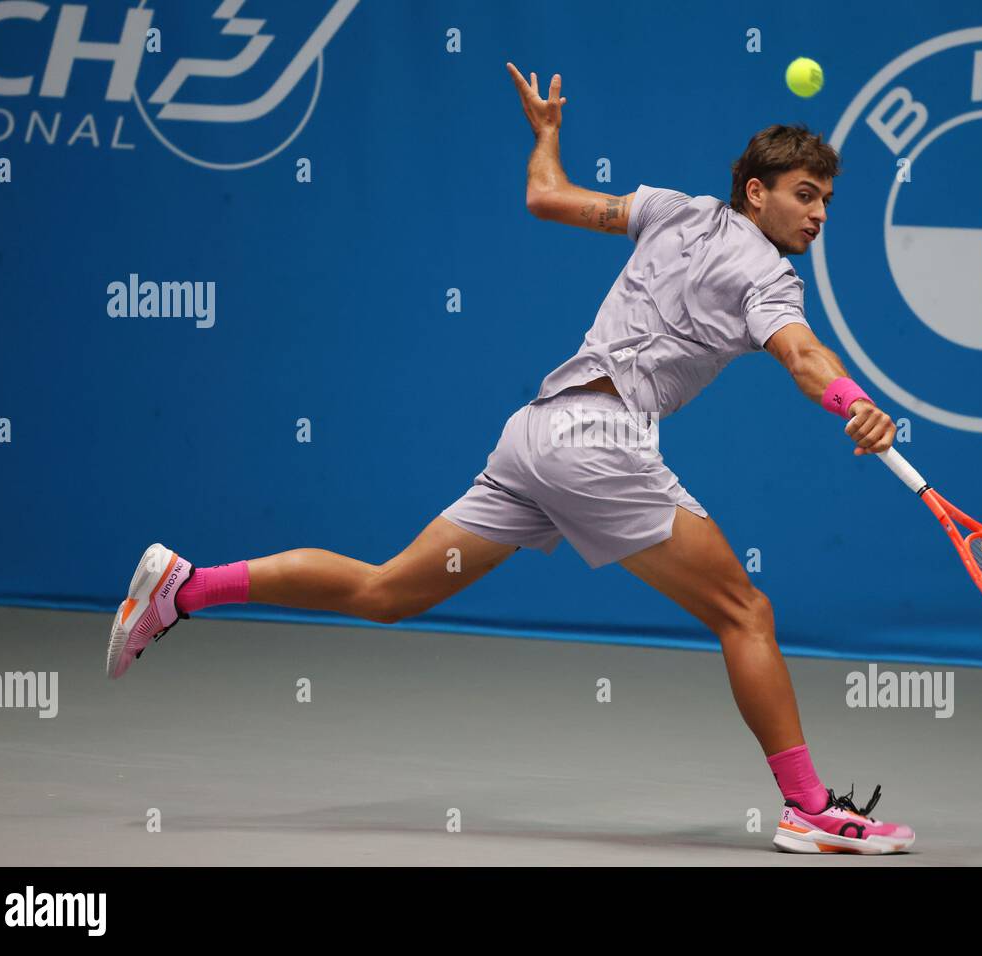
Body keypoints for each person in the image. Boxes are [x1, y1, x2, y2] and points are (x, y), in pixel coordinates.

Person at [105, 63, 913, 855]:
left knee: (389, 591)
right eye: (805, 196)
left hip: (535, 434)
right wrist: (857, 404)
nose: (818, 216)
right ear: (756, 193)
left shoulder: (673, 209)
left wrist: (548, 136)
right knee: (746, 612)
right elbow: (804, 357)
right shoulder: (767, 275)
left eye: (828, 202)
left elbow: (546, 196)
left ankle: (187, 587)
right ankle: (807, 808)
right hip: (599, 443)